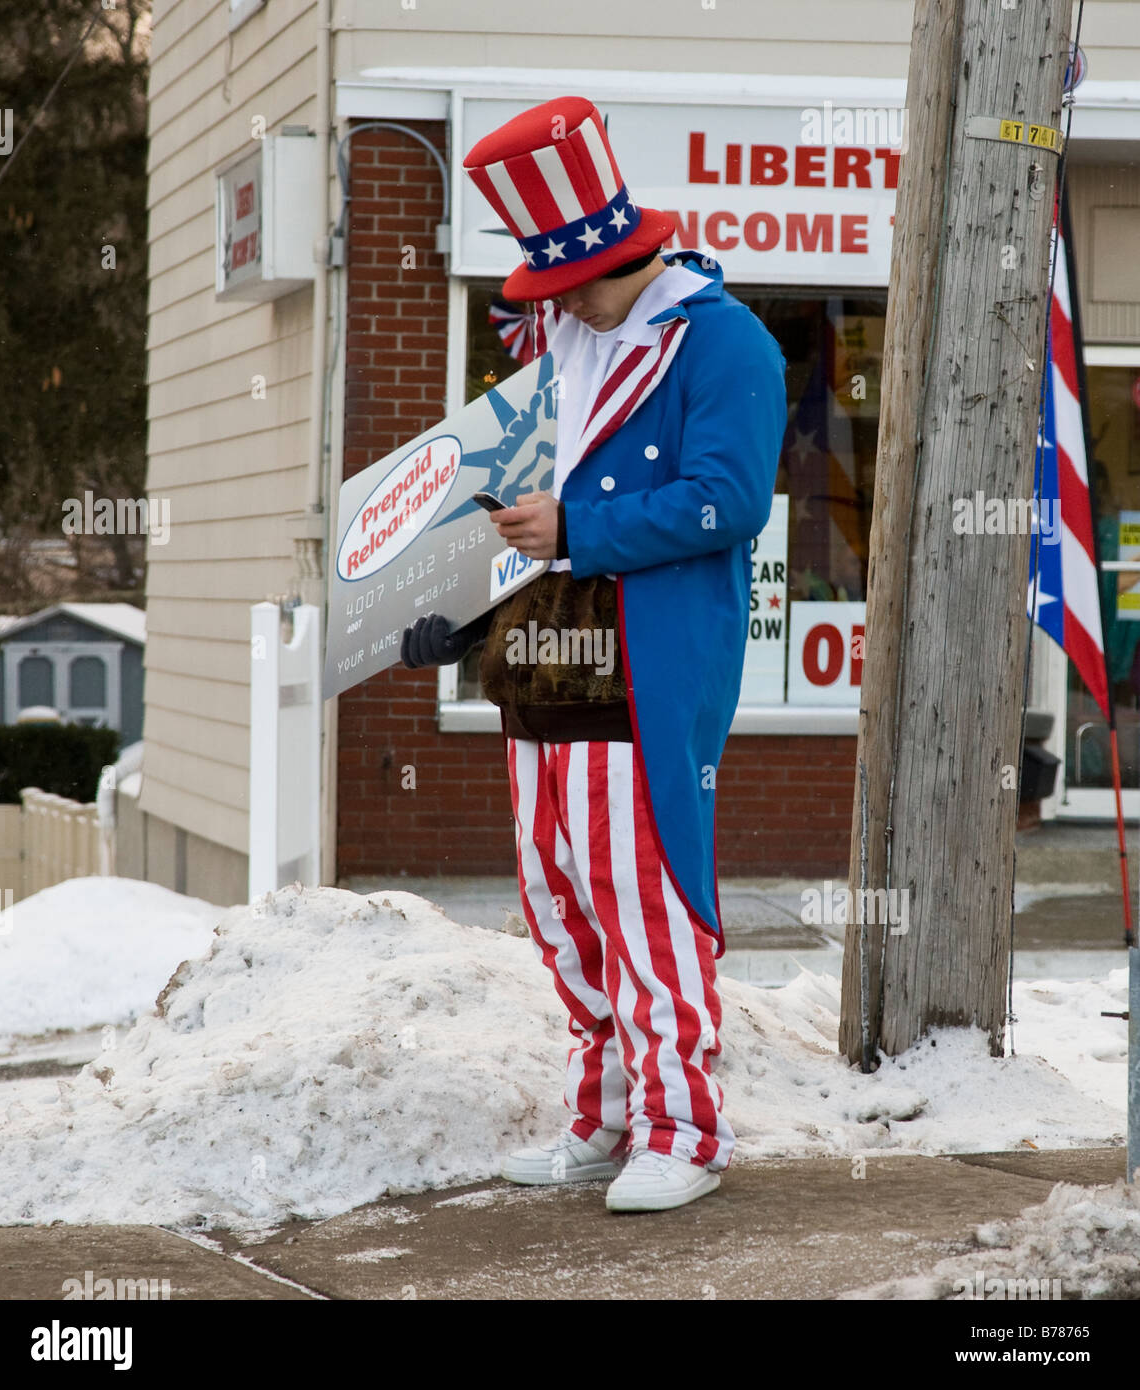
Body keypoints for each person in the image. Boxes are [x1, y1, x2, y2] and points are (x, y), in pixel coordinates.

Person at [401, 95, 787, 1212]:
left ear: (600, 262)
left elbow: (726, 503)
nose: (546, 299)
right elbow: (512, 501)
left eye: (554, 277)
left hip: (647, 668)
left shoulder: (721, 341)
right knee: (561, 899)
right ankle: (607, 1111)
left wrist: (577, 530)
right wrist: (460, 612)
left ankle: (684, 1128)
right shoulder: (565, 347)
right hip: (541, 670)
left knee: (645, 897)